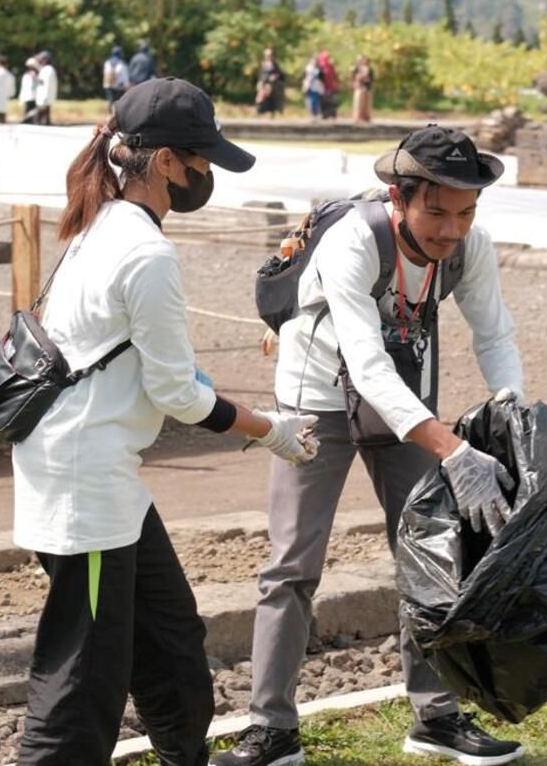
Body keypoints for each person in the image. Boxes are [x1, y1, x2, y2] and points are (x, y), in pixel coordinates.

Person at [13, 76, 321, 766]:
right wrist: (269, 428)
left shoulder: (104, 227)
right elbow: (179, 396)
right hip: (82, 485)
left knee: (172, 638)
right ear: (164, 163)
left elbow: (145, 368)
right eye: (202, 159)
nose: (207, 173)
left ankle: (187, 755)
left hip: (105, 477)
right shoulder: (144, 251)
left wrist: (195, 387)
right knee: (81, 682)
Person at [210, 125, 527, 766]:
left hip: (406, 402)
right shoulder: (354, 240)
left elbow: (493, 335)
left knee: (430, 556)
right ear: (398, 197)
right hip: (318, 398)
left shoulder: (470, 247)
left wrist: (514, 412)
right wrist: (454, 450)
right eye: (436, 211)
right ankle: (272, 730)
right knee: (292, 568)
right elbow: (365, 362)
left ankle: (435, 717)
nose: (450, 229)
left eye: (465, 213)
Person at [255, 47, 284, 117]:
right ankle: (259, 112)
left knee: (270, 94)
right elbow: (260, 75)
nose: (268, 57)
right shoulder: (263, 64)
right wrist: (260, 82)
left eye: (269, 55)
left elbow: (280, 74)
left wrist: (275, 76)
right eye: (266, 55)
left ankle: (272, 113)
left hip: (272, 85)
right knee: (260, 97)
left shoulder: (275, 65)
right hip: (263, 83)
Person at [103, 45, 131, 111]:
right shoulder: (121, 64)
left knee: (110, 101)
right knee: (118, 104)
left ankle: (109, 114)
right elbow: (125, 78)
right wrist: (127, 87)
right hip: (118, 87)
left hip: (108, 86)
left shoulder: (107, 63)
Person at [35, 50, 58, 125]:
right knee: (45, 112)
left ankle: (44, 123)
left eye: (41, 59)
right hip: (45, 95)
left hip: (45, 95)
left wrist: (35, 77)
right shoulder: (46, 69)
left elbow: (45, 82)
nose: (39, 60)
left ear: (45, 59)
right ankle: (45, 122)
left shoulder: (48, 69)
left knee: (43, 111)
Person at [350, 54, 374, 124]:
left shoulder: (369, 69)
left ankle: (366, 117)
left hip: (367, 87)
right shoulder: (357, 68)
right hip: (359, 87)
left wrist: (367, 79)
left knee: (367, 104)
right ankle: (357, 117)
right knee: (358, 103)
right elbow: (353, 76)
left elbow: (371, 78)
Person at [301, 55, 324, 120]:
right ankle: (312, 113)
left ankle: (316, 113)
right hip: (309, 86)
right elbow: (304, 77)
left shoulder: (318, 69)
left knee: (316, 100)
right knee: (310, 101)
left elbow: (321, 77)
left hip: (316, 86)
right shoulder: (307, 68)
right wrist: (305, 84)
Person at [19, 57, 40, 123]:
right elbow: (24, 87)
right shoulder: (26, 75)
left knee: (32, 113)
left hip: (34, 96)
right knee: (28, 111)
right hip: (27, 96)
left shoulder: (37, 74)